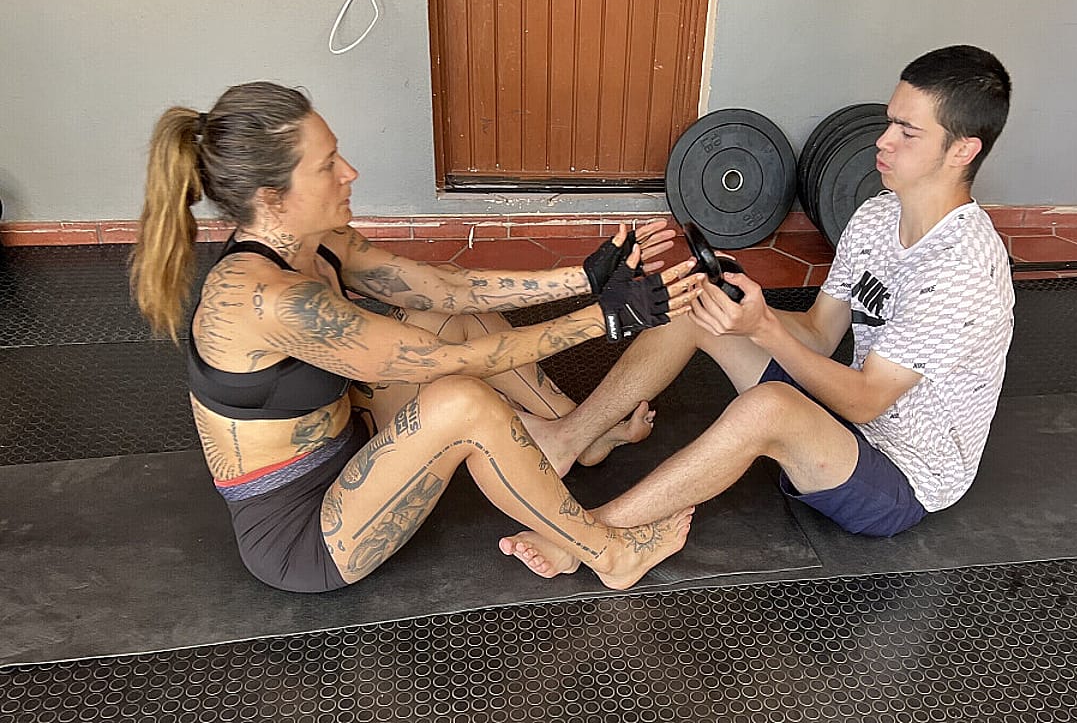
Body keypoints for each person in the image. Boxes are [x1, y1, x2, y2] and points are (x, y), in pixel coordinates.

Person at [130, 81, 703, 593]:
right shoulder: (268, 299)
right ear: (272, 198)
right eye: (327, 164)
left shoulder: (316, 240)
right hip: (306, 535)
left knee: (444, 319)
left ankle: (571, 436)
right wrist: (604, 319)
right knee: (461, 399)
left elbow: (440, 288)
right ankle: (611, 555)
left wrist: (585, 277)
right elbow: (447, 363)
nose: (348, 171)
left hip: (348, 438)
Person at [501, 45, 1014, 577]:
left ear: (962, 150)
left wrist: (764, 329)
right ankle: (569, 438)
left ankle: (591, 535)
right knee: (694, 306)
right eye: (889, 122)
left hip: (901, 476)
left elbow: (864, 402)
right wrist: (743, 306)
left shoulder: (963, 269)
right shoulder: (877, 215)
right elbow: (818, 332)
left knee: (768, 406)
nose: (882, 141)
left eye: (908, 132)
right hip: (845, 416)